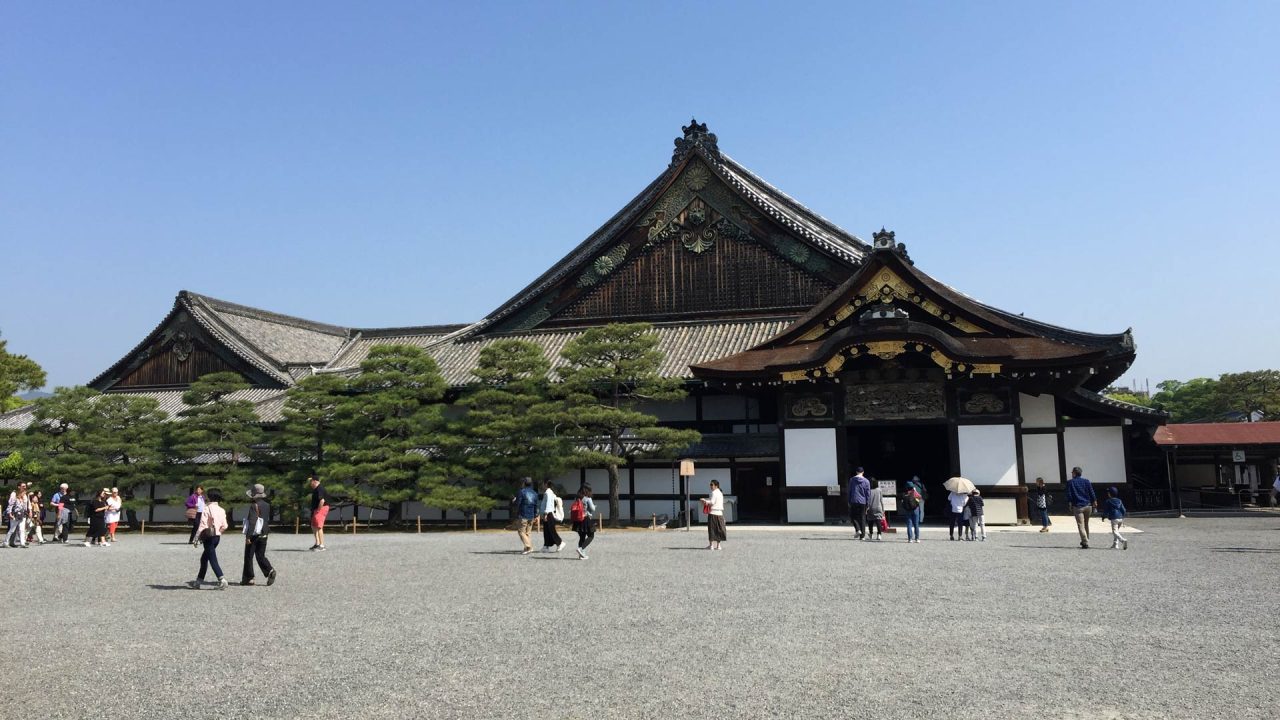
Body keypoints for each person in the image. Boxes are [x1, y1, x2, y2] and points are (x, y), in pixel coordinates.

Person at [189, 488, 229, 590]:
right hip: (217, 537)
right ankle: (198, 580)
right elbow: (225, 525)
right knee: (204, 558)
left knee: (212, 559)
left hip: (208, 536)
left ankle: (222, 579)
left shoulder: (206, 508)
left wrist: (196, 538)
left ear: (209, 497)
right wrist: (219, 531)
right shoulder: (222, 510)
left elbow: (202, 525)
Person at [241, 484, 277, 586]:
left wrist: (248, 536)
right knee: (260, 555)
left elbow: (252, 522)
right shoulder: (267, 505)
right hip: (264, 532)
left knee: (249, 556)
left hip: (254, 534)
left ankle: (249, 578)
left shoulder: (254, 505)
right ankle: (270, 570)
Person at [1064, 466, 1098, 549]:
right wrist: (1094, 501)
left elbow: (1069, 495)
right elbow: (1091, 492)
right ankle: (1086, 539)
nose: (1072, 474)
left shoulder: (1070, 482)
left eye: (1072, 472)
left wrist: (1070, 503)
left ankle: (1085, 541)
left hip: (1078, 506)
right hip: (1088, 505)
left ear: (1075, 473)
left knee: (1080, 525)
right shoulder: (1086, 481)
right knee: (1086, 524)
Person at [512, 478, 539, 555]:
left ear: (524, 483)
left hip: (523, 514)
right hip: (531, 515)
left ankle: (529, 547)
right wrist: (536, 515)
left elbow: (518, 503)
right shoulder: (534, 493)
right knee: (528, 533)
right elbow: (536, 505)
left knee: (521, 531)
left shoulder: (522, 492)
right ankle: (526, 548)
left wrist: (514, 501)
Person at [570, 485, 597, 560]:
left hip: (577, 520)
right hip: (585, 519)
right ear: (588, 491)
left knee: (582, 537)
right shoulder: (588, 499)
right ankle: (581, 549)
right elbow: (592, 509)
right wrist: (594, 506)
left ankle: (582, 555)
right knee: (591, 536)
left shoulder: (577, 498)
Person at [847, 468, 871, 540]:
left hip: (854, 500)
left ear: (856, 472)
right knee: (863, 518)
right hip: (863, 501)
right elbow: (868, 493)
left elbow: (849, 491)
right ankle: (862, 536)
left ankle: (858, 530)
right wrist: (868, 503)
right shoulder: (866, 481)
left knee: (853, 516)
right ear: (863, 472)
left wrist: (849, 501)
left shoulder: (852, 480)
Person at [703, 479, 727, 550]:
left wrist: (705, 501)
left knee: (711, 529)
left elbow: (712, 502)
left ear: (716, 486)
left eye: (712, 485)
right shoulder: (720, 493)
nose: (710, 486)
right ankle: (718, 545)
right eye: (710, 485)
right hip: (719, 513)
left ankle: (711, 545)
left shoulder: (713, 493)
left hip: (713, 513)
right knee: (719, 529)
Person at [540, 481, 563, 553]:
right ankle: (546, 546)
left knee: (551, 530)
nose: (542, 485)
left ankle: (560, 543)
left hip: (549, 514)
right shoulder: (549, 492)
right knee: (547, 530)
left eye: (543, 484)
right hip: (547, 513)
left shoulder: (548, 492)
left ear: (545, 484)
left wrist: (546, 513)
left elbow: (549, 504)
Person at [308, 475, 328, 551]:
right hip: (316, 508)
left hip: (321, 508)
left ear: (315, 481)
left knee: (319, 526)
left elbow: (322, 501)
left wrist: (318, 510)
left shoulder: (320, 488)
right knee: (313, 525)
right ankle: (317, 543)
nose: (310, 483)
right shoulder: (316, 489)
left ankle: (322, 546)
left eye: (311, 481)